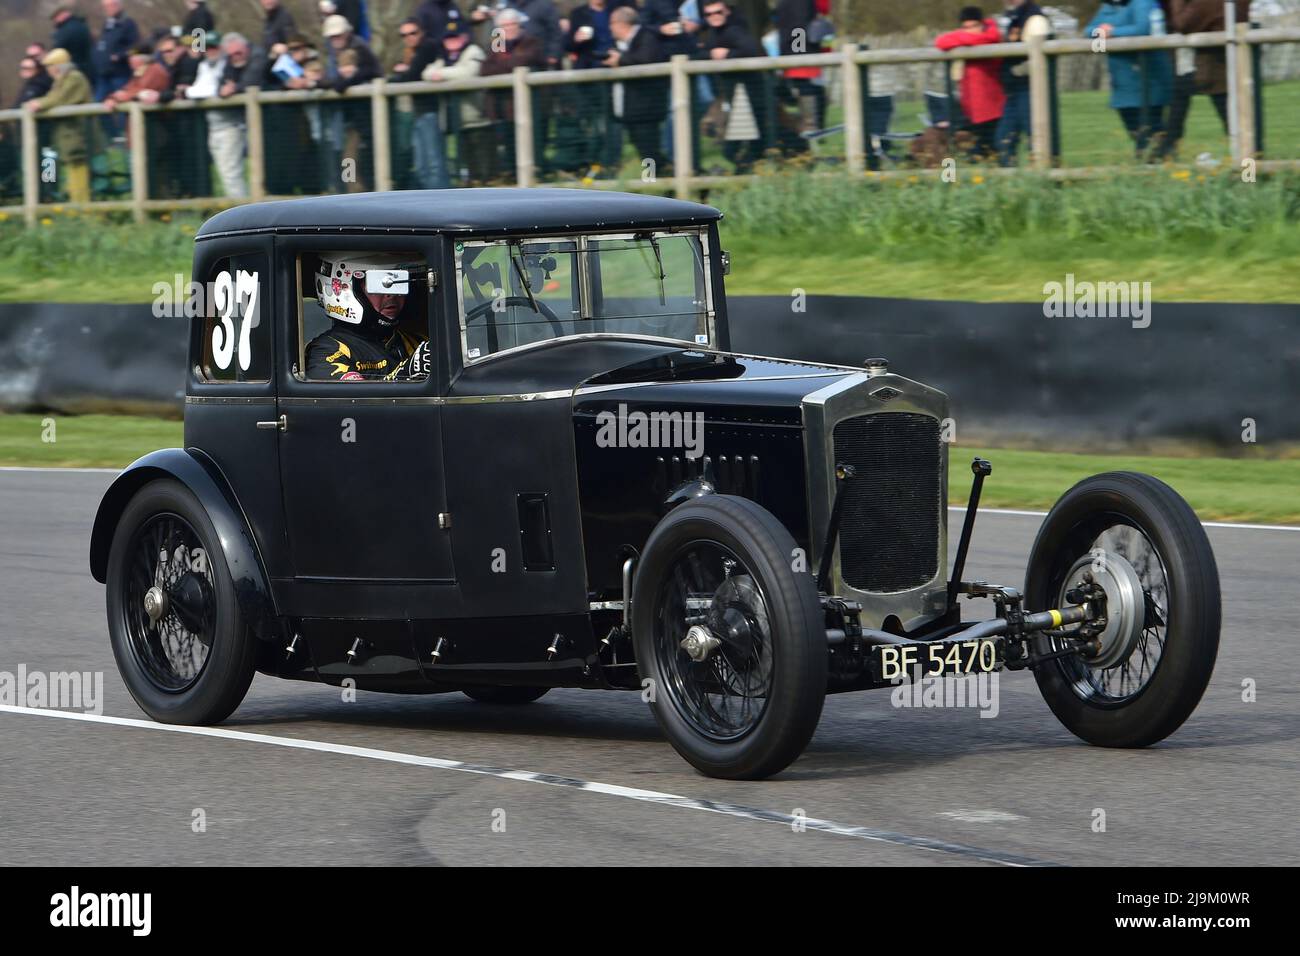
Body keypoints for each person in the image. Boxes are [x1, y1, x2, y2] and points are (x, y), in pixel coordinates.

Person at [305, 253, 429, 382]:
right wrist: (405, 373)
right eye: (381, 285)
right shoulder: (326, 350)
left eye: (399, 284)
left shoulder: (419, 343)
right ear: (344, 288)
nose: (392, 294)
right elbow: (354, 399)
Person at [1085, 0, 1174, 161]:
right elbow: (1089, 31)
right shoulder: (1108, 6)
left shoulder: (1143, 2)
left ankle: (1160, 168)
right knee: (1136, 133)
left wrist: (1112, 32)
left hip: (1149, 81)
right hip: (1122, 84)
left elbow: (1143, 29)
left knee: (1152, 134)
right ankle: (1155, 165)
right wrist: (1102, 34)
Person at [1165, 0, 1251, 158]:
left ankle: (1249, 175)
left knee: (1239, 130)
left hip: (1219, 69)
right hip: (1233, 66)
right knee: (1241, 128)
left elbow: (1182, 23)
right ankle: (1163, 157)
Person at [700, 1, 766, 172]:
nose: (714, 16)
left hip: (747, 92)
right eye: (709, 14)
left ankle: (746, 170)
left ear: (726, 11)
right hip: (735, 94)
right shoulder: (715, 32)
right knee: (744, 141)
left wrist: (727, 54)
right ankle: (746, 169)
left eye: (718, 12)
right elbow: (704, 52)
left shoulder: (733, 29)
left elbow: (750, 49)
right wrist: (710, 54)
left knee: (741, 143)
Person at [934, 6, 1004, 161]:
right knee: (976, 154)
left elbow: (989, 38)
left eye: (974, 27)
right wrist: (964, 39)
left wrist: (960, 38)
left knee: (992, 152)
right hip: (971, 109)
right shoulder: (977, 39)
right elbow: (940, 42)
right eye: (966, 28)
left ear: (981, 24)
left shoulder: (992, 38)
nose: (970, 31)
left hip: (992, 109)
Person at [25, 48, 93, 203]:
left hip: (78, 132)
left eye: (51, 66)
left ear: (58, 66)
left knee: (78, 167)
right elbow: (53, 97)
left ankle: (82, 206)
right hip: (67, 134)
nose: (49, 70)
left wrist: (39, 103)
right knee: (71, 167)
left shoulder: (74, 78)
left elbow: (58, 98)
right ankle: (75, 203)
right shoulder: (61, 80)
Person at [606, 7, 669, 174]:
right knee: (646, 151)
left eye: (611, 23)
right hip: (634, 110)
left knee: (649, 152)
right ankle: (662, 178)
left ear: (620, 23)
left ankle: (656, 182)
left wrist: (621, 59)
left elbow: (646, 60)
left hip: (646, 110)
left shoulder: (646, 37)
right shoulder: (627, 43)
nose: (610, 28)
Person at [995, 0, 1049, 166]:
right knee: (1003, 140)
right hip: (1014, 90)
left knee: (1037, 139)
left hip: (1031, 89)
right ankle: (1012, 183)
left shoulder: (1035, 20)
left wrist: (1014, 71)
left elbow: (1038, 59)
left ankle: (1042, 181)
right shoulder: (1015, 18)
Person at [93, 0, 140, 103]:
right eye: (105, 6)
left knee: (120, 103)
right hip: (104, 72)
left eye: (111, 5)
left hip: (120, 73)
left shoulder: (128, 23)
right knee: (99, 102)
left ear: (118, 5)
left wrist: (119, 56)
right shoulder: (107, 23)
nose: (108, 9)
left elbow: (136, 46)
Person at [50, 6, 96, 86]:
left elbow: (57, 50)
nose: (55, 21)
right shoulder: (82, 25)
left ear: (63, 14)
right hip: (88, 68)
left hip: (73, 70)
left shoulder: (65, 30)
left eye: (56, 17)